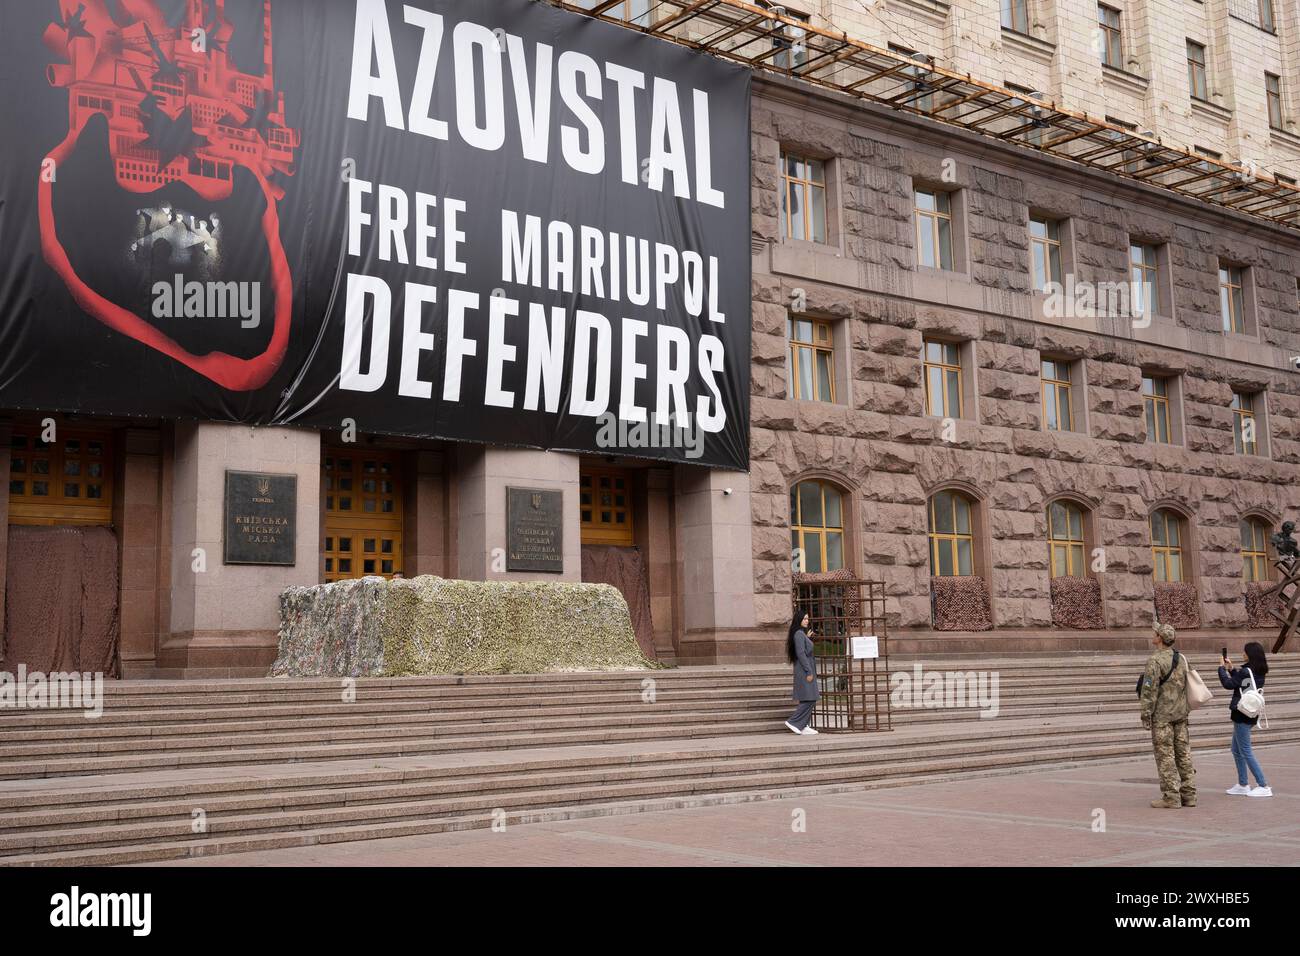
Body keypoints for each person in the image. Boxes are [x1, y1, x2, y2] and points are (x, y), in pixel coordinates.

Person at [1139, 622, 1197, 808]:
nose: (1153, 636)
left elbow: (1149, 690)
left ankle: (1171, 797)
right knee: (1183, 754)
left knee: (1165, 756)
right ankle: (1189, 795)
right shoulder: (1182, 658)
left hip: (1162, 717)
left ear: (1159, 639)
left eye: (1155, 634)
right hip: (1181, 714)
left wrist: (1145, 714)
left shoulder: (1155, 661)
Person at [1219, 642, 1271, 797]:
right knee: (1236, 750)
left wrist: (1221, 668)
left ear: (1250, 654)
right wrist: (1232, 670)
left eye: (1244, 651)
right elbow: (1243, 685)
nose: (1242, 653)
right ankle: (1243, 784)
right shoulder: (1258, 670)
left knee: (1246, 751)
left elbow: (1229, 684)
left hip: (1242, 713)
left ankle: (1263, 785)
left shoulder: (1246, 671)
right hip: (1250, 712)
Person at [784, 608, 819, 736]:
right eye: (804, 618)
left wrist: (807, 638)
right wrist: (809, 671)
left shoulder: (800, 634)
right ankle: (794, 721)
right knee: (810, 698)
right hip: (805, 670)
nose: (807, 620)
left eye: (808, 618)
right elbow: (801, 654)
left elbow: (803, 648)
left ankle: (803, 725)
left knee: (807, 698)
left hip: (805, 668)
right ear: (799, 619)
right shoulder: (798, 634)